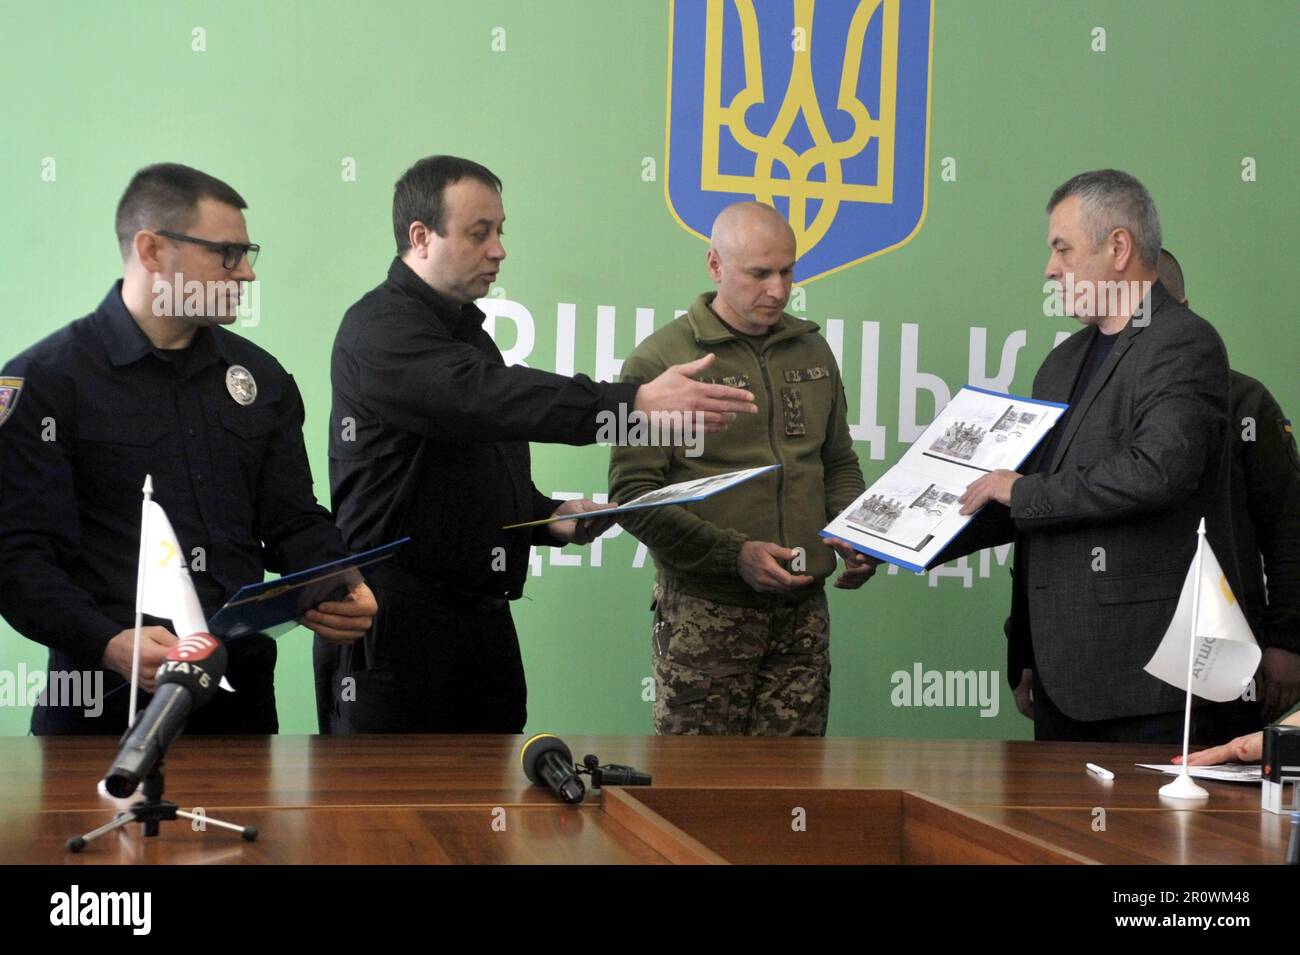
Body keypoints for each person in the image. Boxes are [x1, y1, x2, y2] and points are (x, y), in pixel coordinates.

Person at [318, 155, 758, 734]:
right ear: (421, 238)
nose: (498, 249)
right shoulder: (379, 330)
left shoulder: (465, 332)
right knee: (392, 819)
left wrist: (547, 517)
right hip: (396, 635)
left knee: (491, 812)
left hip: (480, 626)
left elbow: (464, 471)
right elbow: (484, 399)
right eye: (481, 233)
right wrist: (636, 404)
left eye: (500, 231)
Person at [0, 163, 376, 735]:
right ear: (151, 250)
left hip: (240, 708)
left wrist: (338, 582)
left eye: (249, 253)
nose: (247, 273)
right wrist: (107, 642)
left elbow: (292, 518)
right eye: (227, 254)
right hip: (100, 710)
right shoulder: (44, 381)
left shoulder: (261, 378)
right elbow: (17, 558)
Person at [931, 169, 1242, 743]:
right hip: (1057, 677)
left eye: (1062, 249)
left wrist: (1020, 490)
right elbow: (1021, 499)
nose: (1051, 269)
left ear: (1118, 248)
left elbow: (1158, 471)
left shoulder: (1183, 342)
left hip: (1148, 682)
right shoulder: (1060, 362)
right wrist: (898, 543)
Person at [608, 201, 871, 736]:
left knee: (793, 790)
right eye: (759, 273)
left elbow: (836, 459)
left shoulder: (812, 349)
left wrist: (855, 529)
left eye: (787, 270)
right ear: (715, 266)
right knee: (699, 795)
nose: (777, 289)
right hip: (706, 617)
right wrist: (735, 557)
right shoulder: (660, 361)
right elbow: (634, 496)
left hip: (803, 615)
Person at [1157, 248, 1300, 726]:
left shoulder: (1245, 403)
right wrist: (1026, 651)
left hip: (1222, 664)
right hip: (1094, 675)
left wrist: (1287, 642)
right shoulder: (1081, 400)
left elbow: (1288, 528)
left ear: (1185, 312)